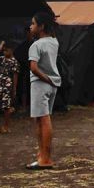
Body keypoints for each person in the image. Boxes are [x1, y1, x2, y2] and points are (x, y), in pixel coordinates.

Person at [26, 11, 60, 170]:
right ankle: (42, 156)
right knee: (41, 119)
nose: (30, 26)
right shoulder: (54, 42)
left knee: (43, 120)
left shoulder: (36, 45)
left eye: (33, 23)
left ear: (41, 26)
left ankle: (45, 159)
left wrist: (45, 78)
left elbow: (33, 67)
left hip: (41, 83)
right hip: (52, 84)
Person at [13, 28, 33, 113]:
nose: (29, 34)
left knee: (33, 90)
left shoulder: (36, 44)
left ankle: (32, 107)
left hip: (34, 71)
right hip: (24, 71)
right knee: (24, 89)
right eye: (28, 33)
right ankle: (24, 107)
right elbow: (17, 55)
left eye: (30, 32)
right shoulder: (22, 46)